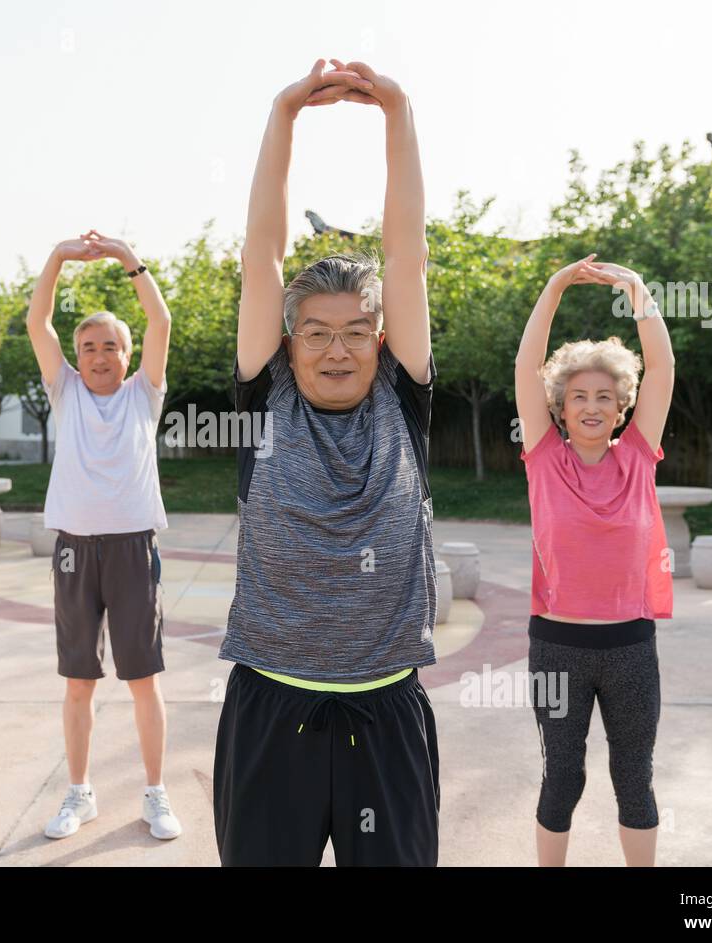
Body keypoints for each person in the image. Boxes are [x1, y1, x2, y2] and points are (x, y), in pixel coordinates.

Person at [212, 59, 440, 866]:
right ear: (289, 341)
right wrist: (284, 116)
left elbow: (405, 253)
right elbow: (262, 255)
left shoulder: (400, 400)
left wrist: (398, 113)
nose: (336, 347)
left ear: (380, 341)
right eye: (315, 331)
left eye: (354, 331)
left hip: (386, 708)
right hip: (273, 706)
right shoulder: (264, 400)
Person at [514, 253, 675, 866]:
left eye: (604, 396)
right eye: (578, 395)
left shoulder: (638, 455)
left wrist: (639, 292)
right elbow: (528, 364)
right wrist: (555, 284)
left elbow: (660, 364)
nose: (591, 405)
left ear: (623, 406)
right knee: (564, 778)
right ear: (559, 405)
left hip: (631, 646)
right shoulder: (543, 457)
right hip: (556, 647)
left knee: (634, 779)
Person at [25, 229, 181, 841]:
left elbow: (160, 318)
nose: (96, 355)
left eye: (109, 346)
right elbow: (39, 322)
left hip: (132, 549)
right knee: (79, 682)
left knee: (143, 678)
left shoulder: (144, 395)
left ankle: (156, 793)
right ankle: (79, 794)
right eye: (87, 346)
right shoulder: (64, 392)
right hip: (74, 550)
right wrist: (59, 258)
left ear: (128, 352)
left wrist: (125, 257)